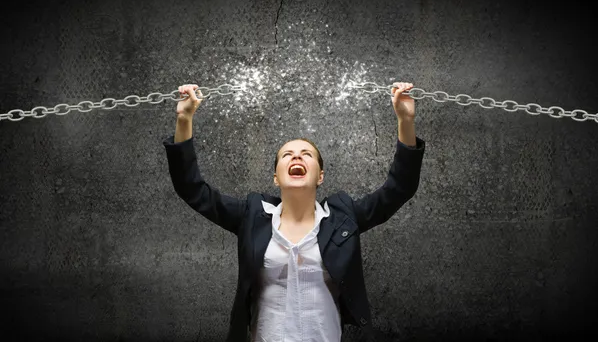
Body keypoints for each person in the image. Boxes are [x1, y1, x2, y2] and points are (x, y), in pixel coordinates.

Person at [162, 81, 426, 342]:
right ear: (276, 178)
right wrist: (184, 119)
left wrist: (406, 120)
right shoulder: (252, 216)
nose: (296, 157)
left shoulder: (342, 219)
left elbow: (399, 188)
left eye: (306, 154)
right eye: (287, 155)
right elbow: (192, 189)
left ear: (320, 176)